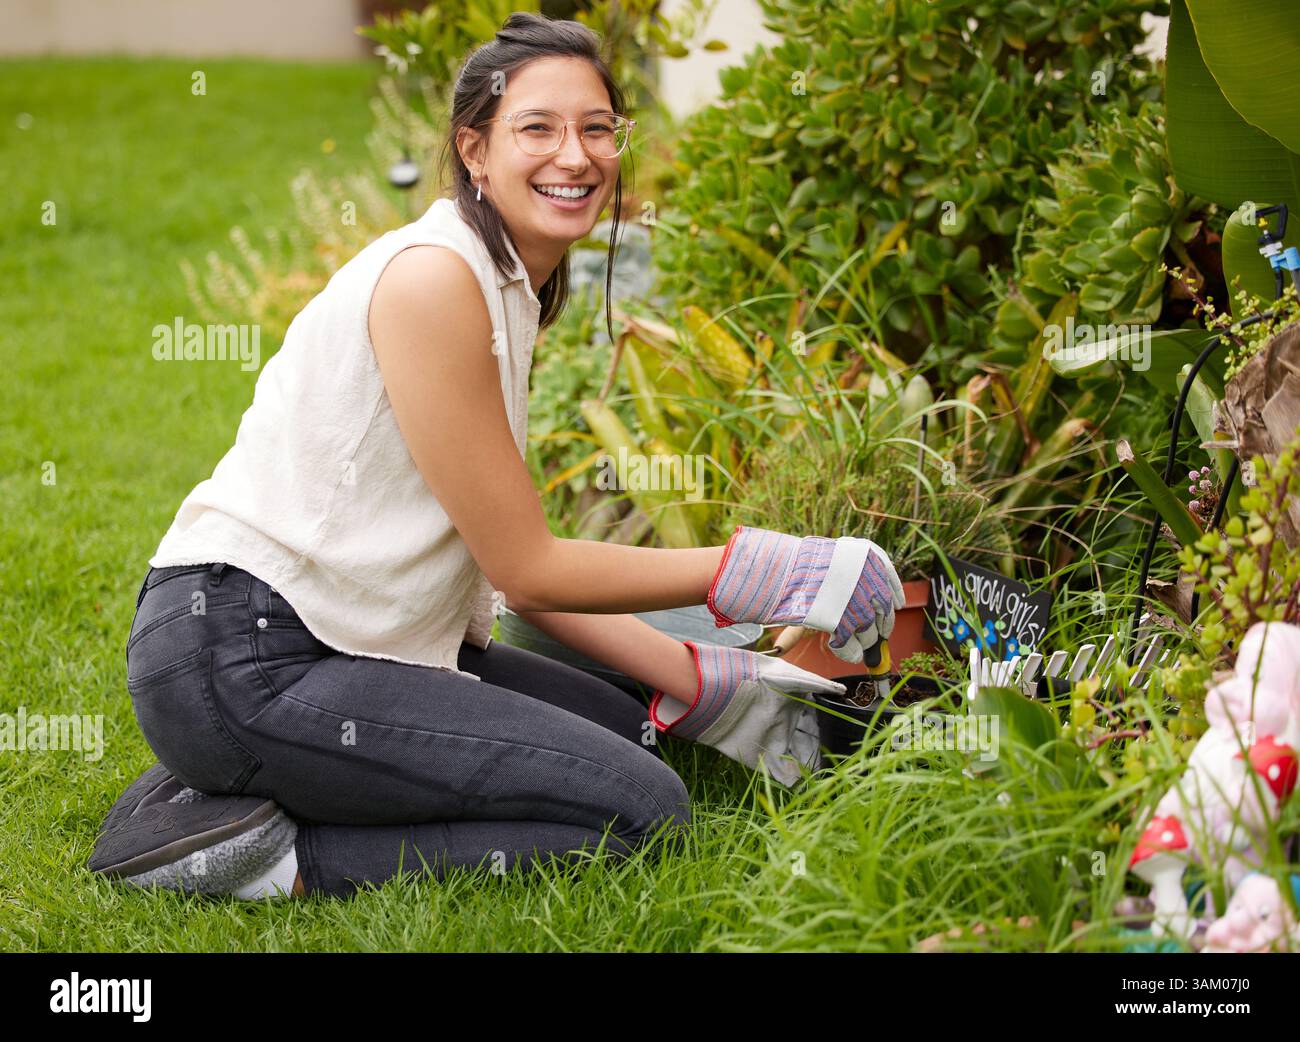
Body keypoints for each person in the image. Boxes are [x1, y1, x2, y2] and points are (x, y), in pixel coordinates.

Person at [87, 12, 903, 901]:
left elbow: (505, 570)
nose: (577, 156)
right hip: (247, 652)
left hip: (341, 641)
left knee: (626, 731)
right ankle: (255, 854)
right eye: (538, 129)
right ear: (474, 150)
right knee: (641, 809)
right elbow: (532, 568)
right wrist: (782, 572)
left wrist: (705, 682)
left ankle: (236, 782)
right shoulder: (436, 279)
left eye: (598, 129)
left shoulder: (503, 281)